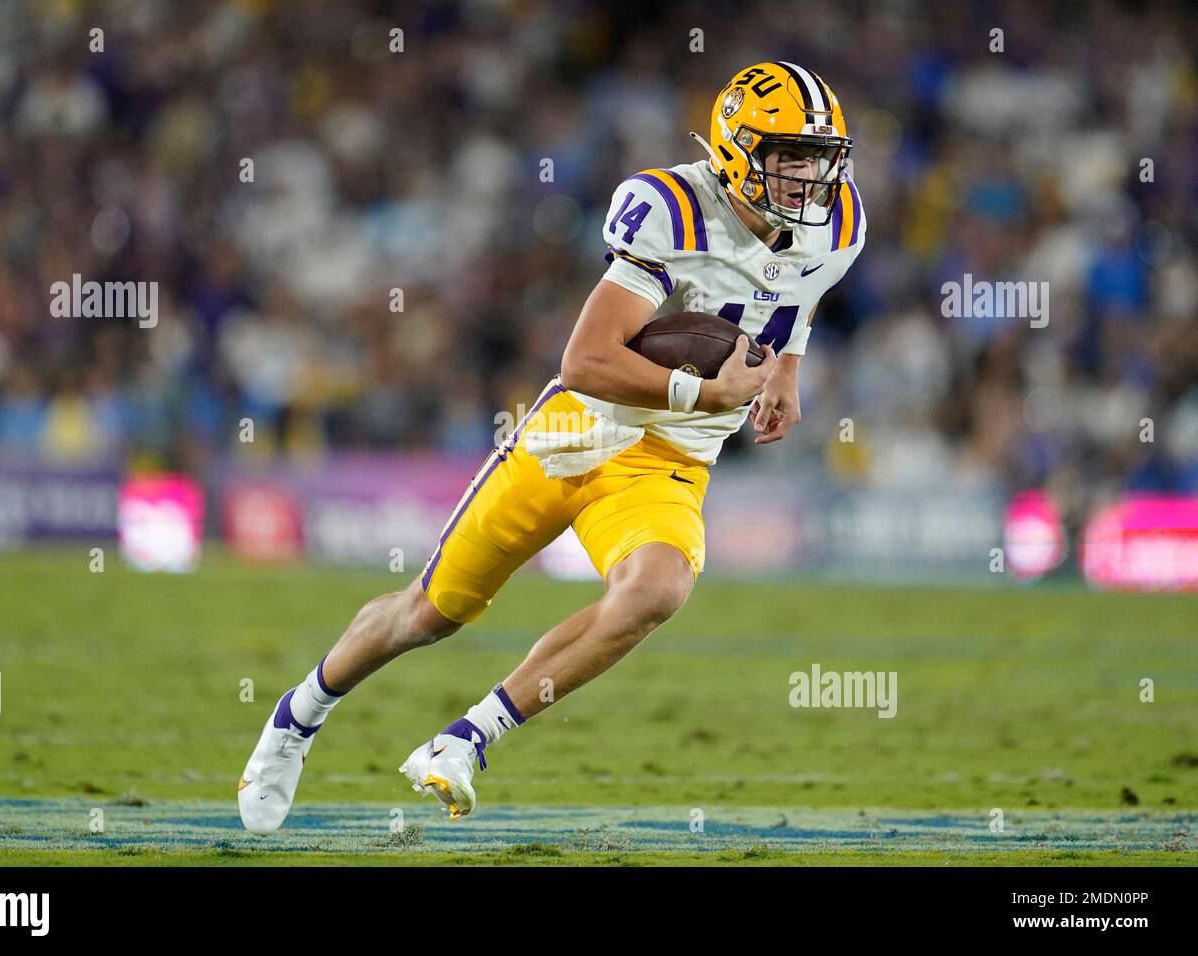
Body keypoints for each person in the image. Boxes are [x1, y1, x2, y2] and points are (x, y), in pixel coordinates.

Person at [238, 60, 867, 831]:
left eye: (820, 156)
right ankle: (296, 719)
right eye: (789, 157)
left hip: (672, 460)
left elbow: (796, 295)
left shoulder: (838, 224)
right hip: (579, 429)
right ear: (738, 151)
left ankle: (468, 740)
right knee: (428, 614)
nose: (810, 177)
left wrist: (787, 374)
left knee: (658, 590)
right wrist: (708, 393)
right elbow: (587, 360)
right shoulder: (672, 207)